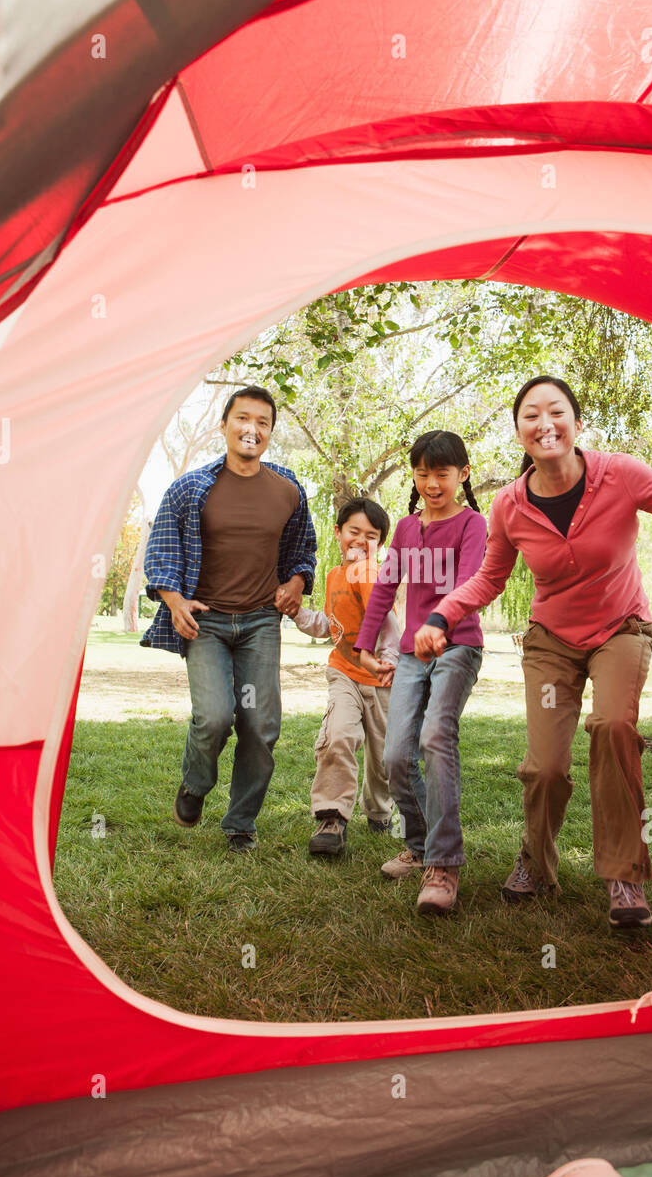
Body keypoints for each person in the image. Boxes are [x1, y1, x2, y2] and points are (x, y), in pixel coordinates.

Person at [415, 376, 652, 928]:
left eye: (555, 412)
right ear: (519, 433)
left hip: (620, 630)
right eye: (530, 416)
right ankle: (535, 860)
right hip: (552, 641)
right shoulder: (510, 505)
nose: (544, 423)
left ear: (576, 424)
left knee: (612, 727)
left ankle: (624, 876)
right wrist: (443, 614)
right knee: (547, 767)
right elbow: (489, 578)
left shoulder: (621, 474)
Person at [140, 386, 317, 853]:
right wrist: (175, 601)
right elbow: (160, 554)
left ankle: (240, 823)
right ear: (224, 426)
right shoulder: (190, 488)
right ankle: (196, 784)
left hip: (260, 622)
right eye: (242, 418)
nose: (251, 429)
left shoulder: (288, 489)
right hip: (207, 623)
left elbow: (303, 551)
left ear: (271, 433)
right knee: (215, 716)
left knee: (260, 726)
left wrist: (298, 582)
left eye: (262, 422)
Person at [355, 430, 488, 916]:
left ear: (463, 474)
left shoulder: (474, 524)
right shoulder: (408, 531)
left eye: (442, 473)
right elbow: (385, 590)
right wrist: (364, 646)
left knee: (435, 737)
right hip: (412, 654)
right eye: (423, 473)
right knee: (394, 755)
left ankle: (445, 862)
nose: (432, 483)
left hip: (458, 647)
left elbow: (474, 580)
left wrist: (441, 623)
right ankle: (419, 845)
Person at [292, 497, 401, 856]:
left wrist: (387, 663)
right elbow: (330, 625)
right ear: (338, 533)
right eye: (353, 531)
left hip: (381, 678)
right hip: (344, 673)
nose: (360, 540)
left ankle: (380, 811)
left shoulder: (372, 574)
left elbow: (387, 622)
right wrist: (298, 614)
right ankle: (332, 817)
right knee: (338, 735)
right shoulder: (335, 575)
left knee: (383, 756)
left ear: (380, 544)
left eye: (371, 536)